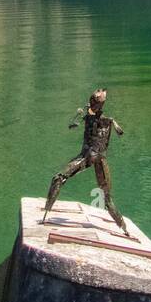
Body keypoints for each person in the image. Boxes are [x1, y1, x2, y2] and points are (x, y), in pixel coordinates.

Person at [44, 88, 126, 231]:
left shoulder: (105, 120)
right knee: (59, 179)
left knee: (106, 197)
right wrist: (77, 118)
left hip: (93, 157)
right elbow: (72, 124)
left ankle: (123, 226)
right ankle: (46, 212)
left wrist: (115, 125)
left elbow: (117, 128)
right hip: (90, 156)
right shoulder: (90, 117)